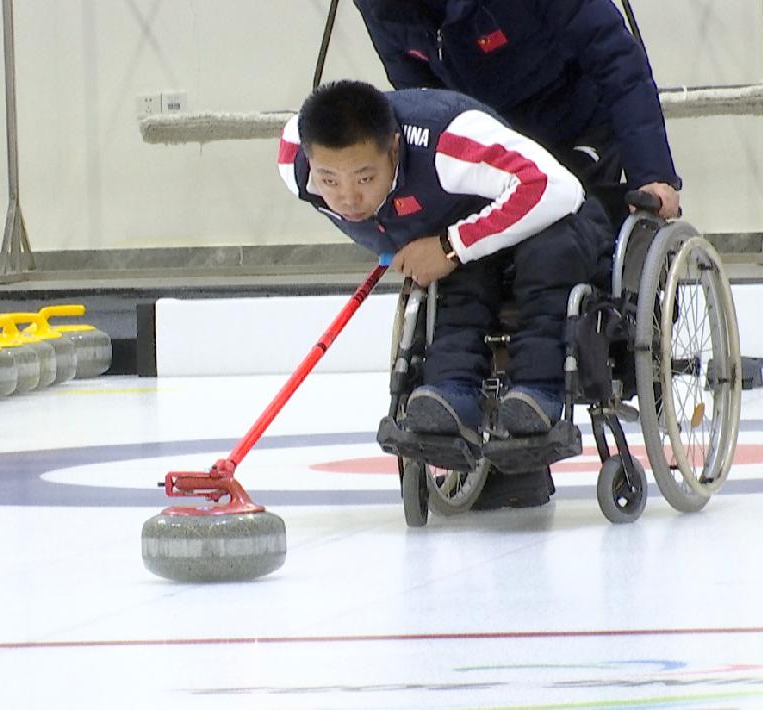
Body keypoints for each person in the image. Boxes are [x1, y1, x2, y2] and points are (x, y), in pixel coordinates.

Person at [279, 80, 612, 508]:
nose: (347, 197)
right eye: (329, 179)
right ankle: (450, 395)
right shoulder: (295, 162)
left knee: (544, 259)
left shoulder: (449, 143)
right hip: (469, 232)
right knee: (459, 281)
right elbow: (368, 215)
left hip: (559, 219)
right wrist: (423, 246)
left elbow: (557, 189)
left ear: (394, 150)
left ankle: (538, 392)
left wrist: (449, 246)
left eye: (365, 177)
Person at [351, 0, 681, 223]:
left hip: (575, 124)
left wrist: (653, 175)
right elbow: (420, 106)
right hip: (489, 149)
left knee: (560, 235)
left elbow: (618, 62)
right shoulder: (380, 7)